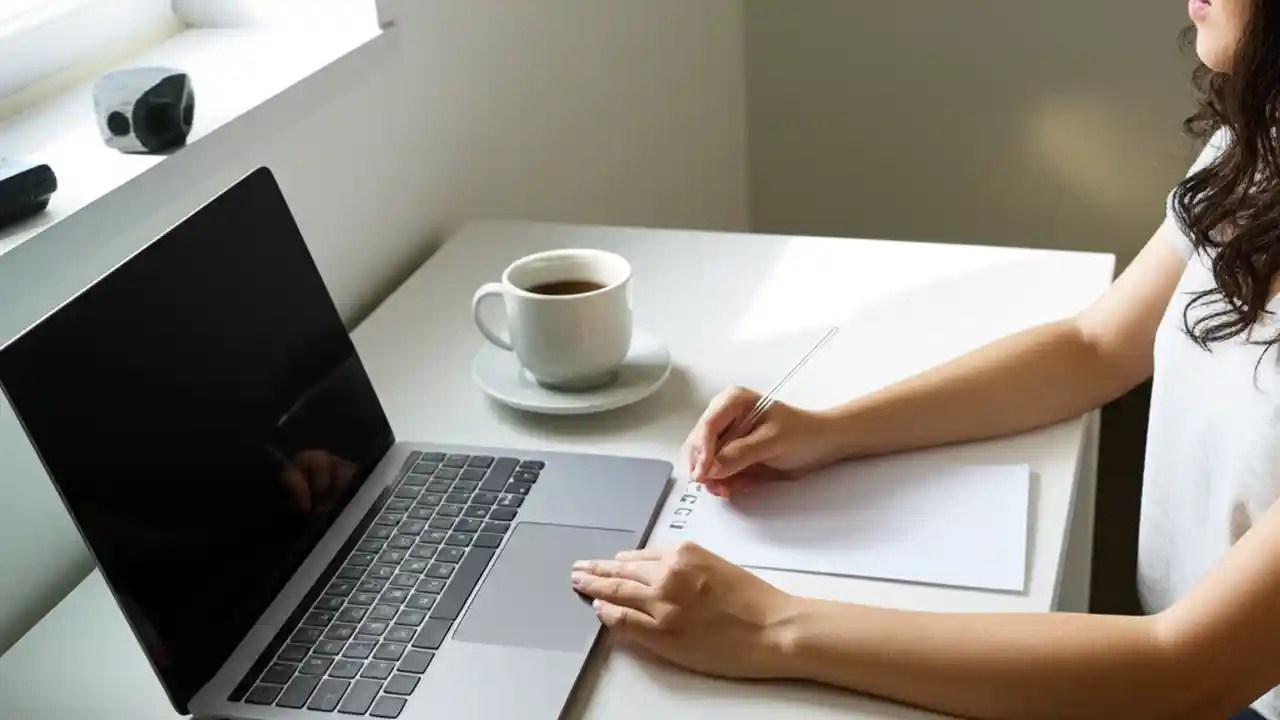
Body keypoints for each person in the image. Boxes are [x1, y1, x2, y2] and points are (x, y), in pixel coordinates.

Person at [570, 1, 1280, 718]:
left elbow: (1179, 672)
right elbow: (1092, 348)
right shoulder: (1259, 149)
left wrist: (770, 625)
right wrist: (830, 430)